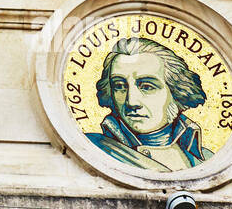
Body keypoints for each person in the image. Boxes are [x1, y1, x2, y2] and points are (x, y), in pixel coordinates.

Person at [85, 36, 214, 172]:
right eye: (119, 86)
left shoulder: (206, 159)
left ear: (177, 93)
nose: (131, 102)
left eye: (147, 86)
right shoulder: (91, 147)